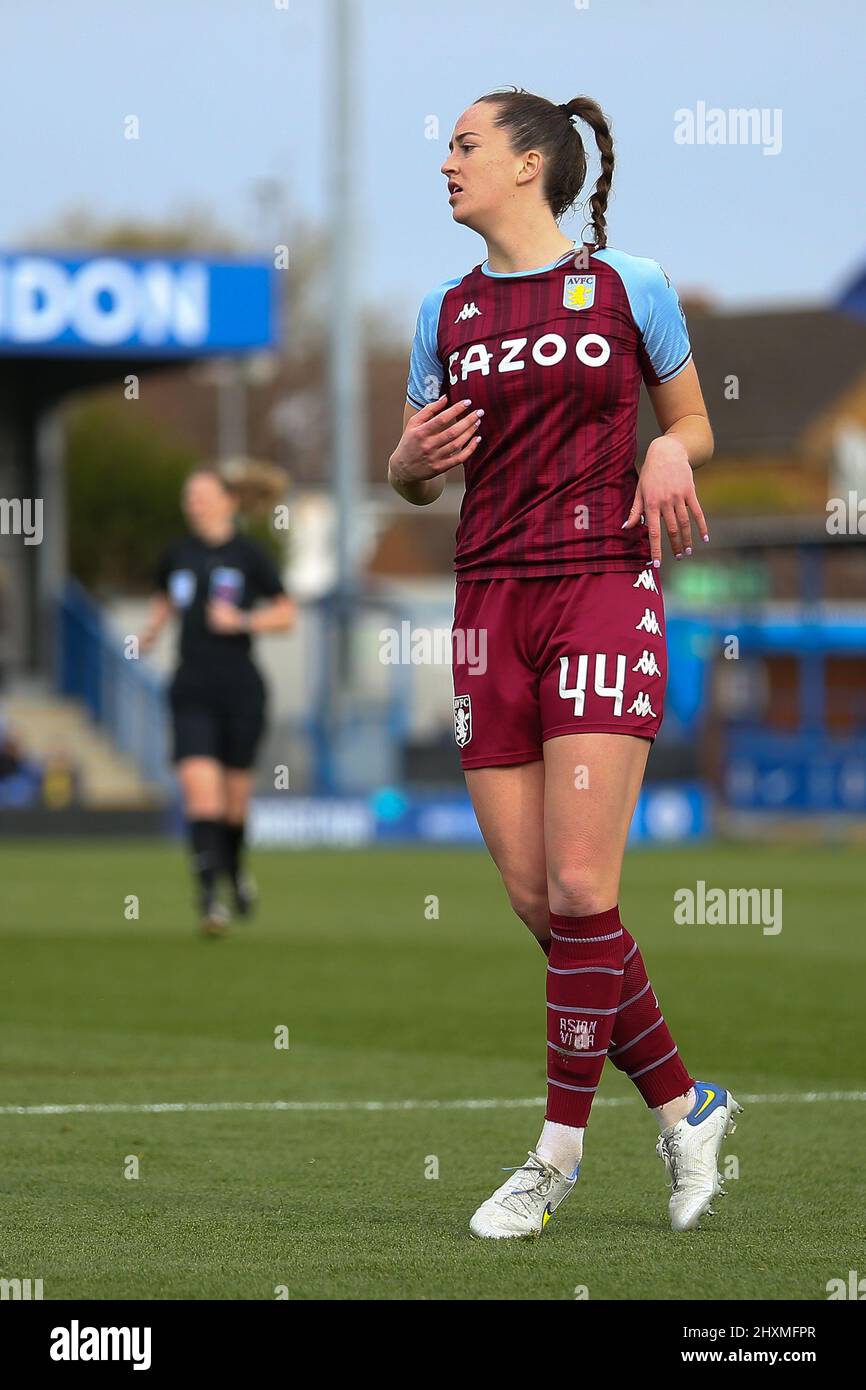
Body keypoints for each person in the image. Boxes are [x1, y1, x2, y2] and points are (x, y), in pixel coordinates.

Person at [388, 88, 741, 1238]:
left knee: (585, 889)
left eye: (464, 144)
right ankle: (688, 1105)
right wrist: (404, 461)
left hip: (600, 584)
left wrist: (662, 456)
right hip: (487, 604)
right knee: (547, 905)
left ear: (530, 162)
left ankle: (552, 1156)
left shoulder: (628, 284)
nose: (445, 162)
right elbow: (412, 474)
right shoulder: (441, 311)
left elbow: (689, 426)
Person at [141, 469, 295, 936]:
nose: (194, 504)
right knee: (199, 792)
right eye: (189, 496)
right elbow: (165, 600)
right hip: (190, 686)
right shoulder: (177, 554)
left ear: (227, 501)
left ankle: (235, 870)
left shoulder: (249, 555)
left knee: (233, 806)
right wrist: (150, 633)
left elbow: (287, 614)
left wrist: (242, 620)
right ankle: (209, 899)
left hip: (240, 689)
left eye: (203, 495)